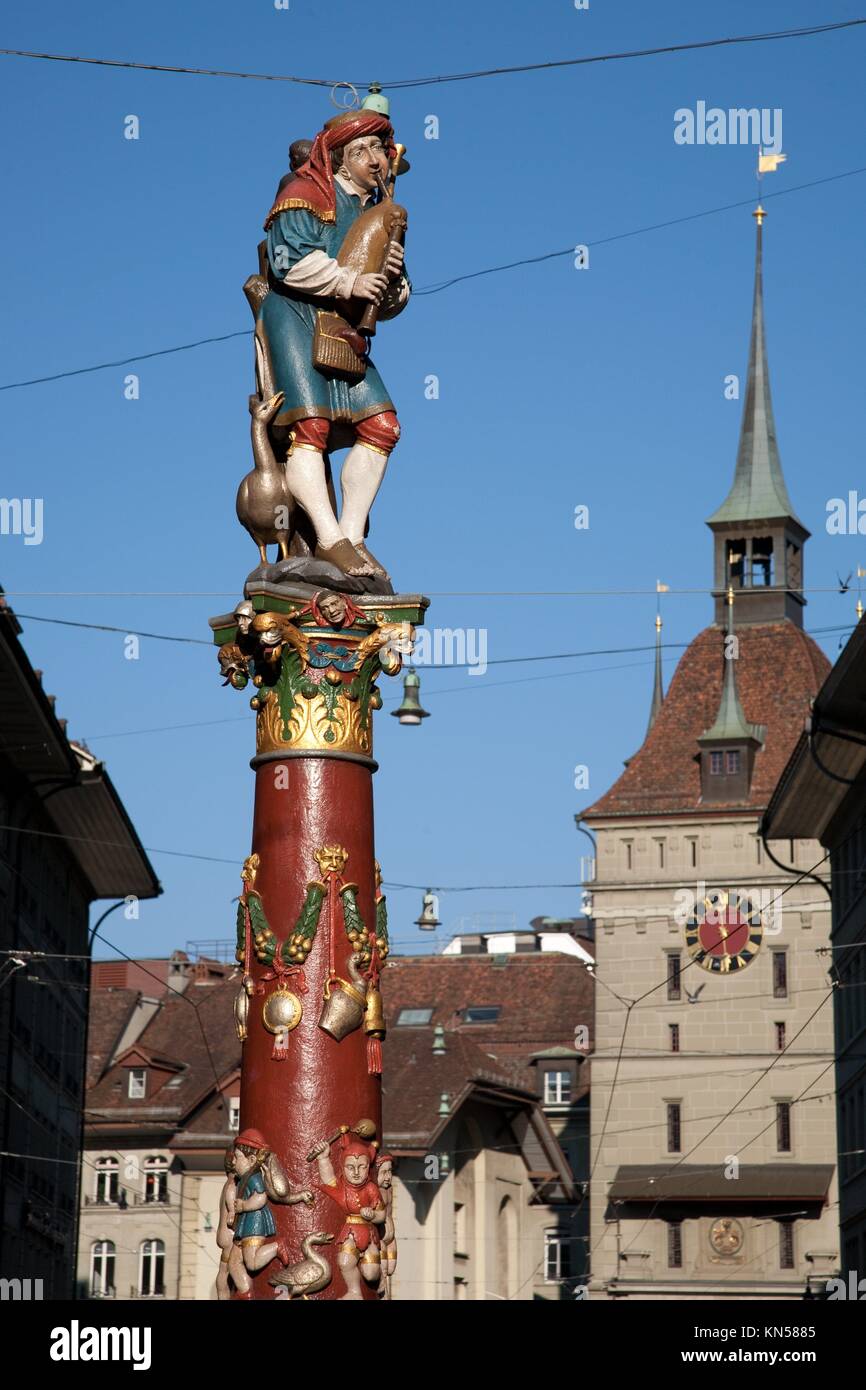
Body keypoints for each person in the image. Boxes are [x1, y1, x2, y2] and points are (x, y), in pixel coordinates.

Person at [258, 105, 410, 580]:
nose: (375, 158)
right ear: (340, 159)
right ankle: (327, 538)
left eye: (380, 149)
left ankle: (350, 537)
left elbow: (392, 297)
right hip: (296, 316)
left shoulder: (379, 214)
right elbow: (287, 261)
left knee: (383, 425)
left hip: (345, 328)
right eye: (361, 149)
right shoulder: (306, 194)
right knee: (312, 427)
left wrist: (391, 289)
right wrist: (347, 283)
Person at [308, 1133, 386, 1299]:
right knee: (345, 1261)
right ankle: (354, 1292)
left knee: (371, 1274)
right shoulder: (342, 1188)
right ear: (343, 1168)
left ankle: (381, 1275)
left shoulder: (371, 1188)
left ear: (368, 1167)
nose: (356, 1172)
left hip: (369, 1232)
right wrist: (323, 1158)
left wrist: (373, 1214)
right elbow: (328, 1178)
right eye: (351, 1167)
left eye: (362, 1167)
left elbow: (382, 1214)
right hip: (351, 1230)